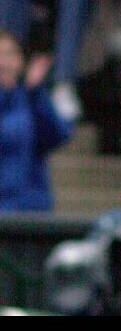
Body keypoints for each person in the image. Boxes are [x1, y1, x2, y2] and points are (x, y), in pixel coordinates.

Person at [0, 31, 72, 211]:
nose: (4, 62)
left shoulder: (33, 98)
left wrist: (36, 93)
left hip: (31, 210)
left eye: (10, 54)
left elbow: (58, 135)